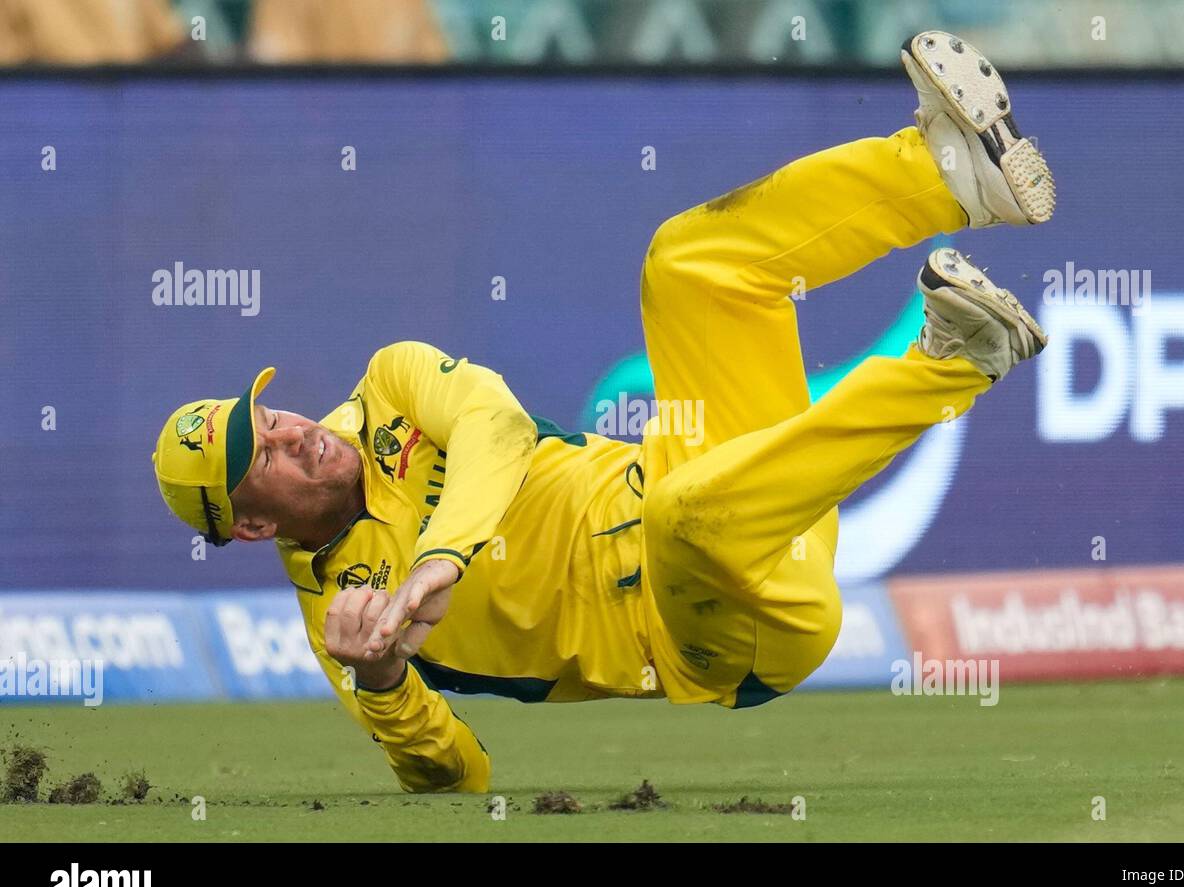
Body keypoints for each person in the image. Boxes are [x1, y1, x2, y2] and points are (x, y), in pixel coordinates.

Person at [152, 31, 1054, 793]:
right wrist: (384, 676)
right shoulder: (338, 618)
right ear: (252, 523)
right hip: (721, 628)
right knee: (684, 515)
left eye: (265, 414)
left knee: (687, 263)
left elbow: (494, 425)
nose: (290, 430)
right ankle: (951, 365)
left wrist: (439, 557)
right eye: (257, 453)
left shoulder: (388, 386)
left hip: (720, 474)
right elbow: (456, 775)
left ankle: (949, 177)